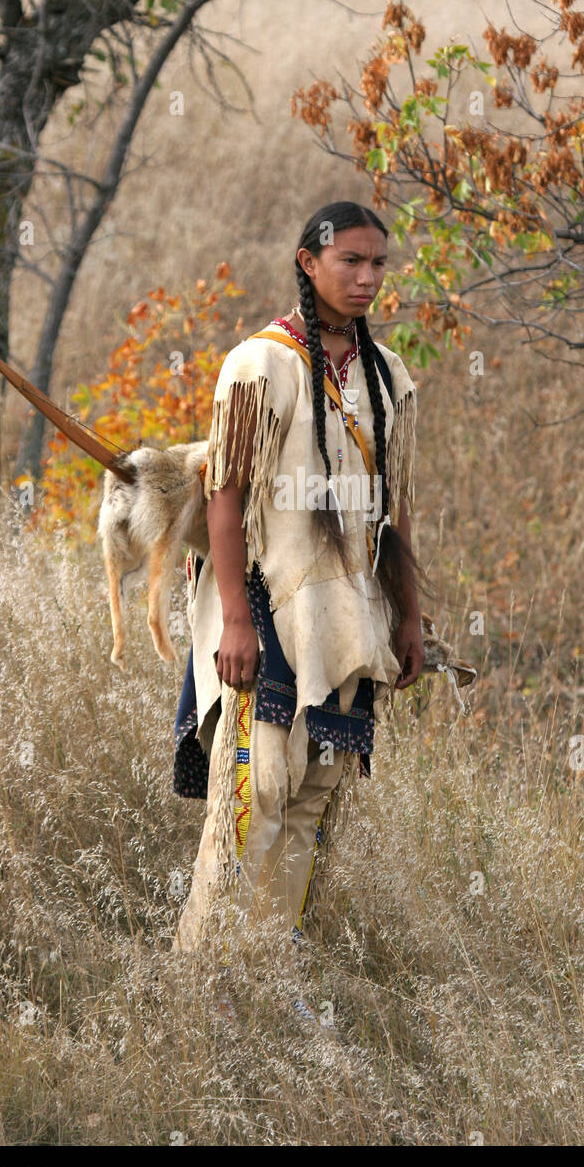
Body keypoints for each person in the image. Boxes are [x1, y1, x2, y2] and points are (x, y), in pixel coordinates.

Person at [171, 200, 430, 959]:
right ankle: (208, 979)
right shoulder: (260, 363)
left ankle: (270, 972)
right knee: (257, 793)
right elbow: (224, 492)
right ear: (307, 261)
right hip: (266, 605)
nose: (367, 277)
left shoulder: (387, 378)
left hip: (350, 616)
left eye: (378, 262)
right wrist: (236, 621)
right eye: (350, 260)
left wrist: (408, 617)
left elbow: (397, 507)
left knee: (314, 799)